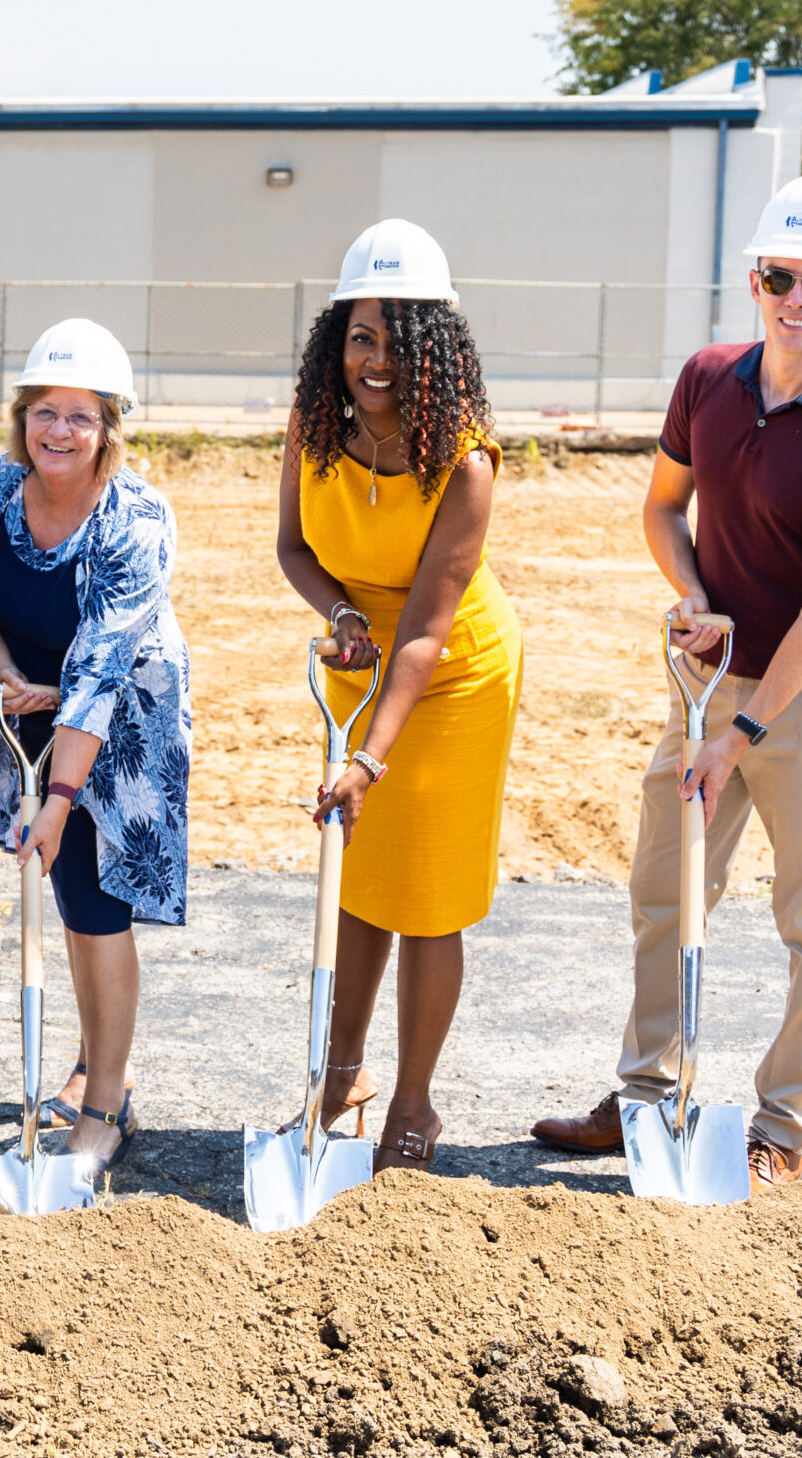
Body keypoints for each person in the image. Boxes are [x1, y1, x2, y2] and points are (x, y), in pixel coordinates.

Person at [531, 171, 802, 1187]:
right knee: (666, 889)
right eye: (778, 275)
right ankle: (646, 1097)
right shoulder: (706, 379)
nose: (797, 297)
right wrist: (693, 592)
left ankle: (781, 1133)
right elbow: (661, 512)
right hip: (710, 682)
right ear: (753, 278)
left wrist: (739, 736)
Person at [275, 219, 523, 1173]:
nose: (375, 360)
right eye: (359, 336)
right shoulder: (313, 424)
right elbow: (295, 547)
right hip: (361, 654)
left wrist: (368, 757)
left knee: (428, 892)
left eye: (396, 338)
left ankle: (414, 1101)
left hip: (452, 668)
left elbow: (427, 623)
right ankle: (340, 1072)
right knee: (359, 876)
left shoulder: (463, 460)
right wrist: (338, 611)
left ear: (435, 346)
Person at [0, 319, 191, 1174]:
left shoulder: (136, 516)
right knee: (71, 891)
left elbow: (99, 669)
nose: (58, 431)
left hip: (119, 713)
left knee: (94, 899)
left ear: (109, 427)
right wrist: (10, 673)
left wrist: (57, 798)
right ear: (22, 417)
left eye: (80, 416)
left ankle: (108, 1106)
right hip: (32, 706)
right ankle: (93, 1062)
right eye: (45, 411)